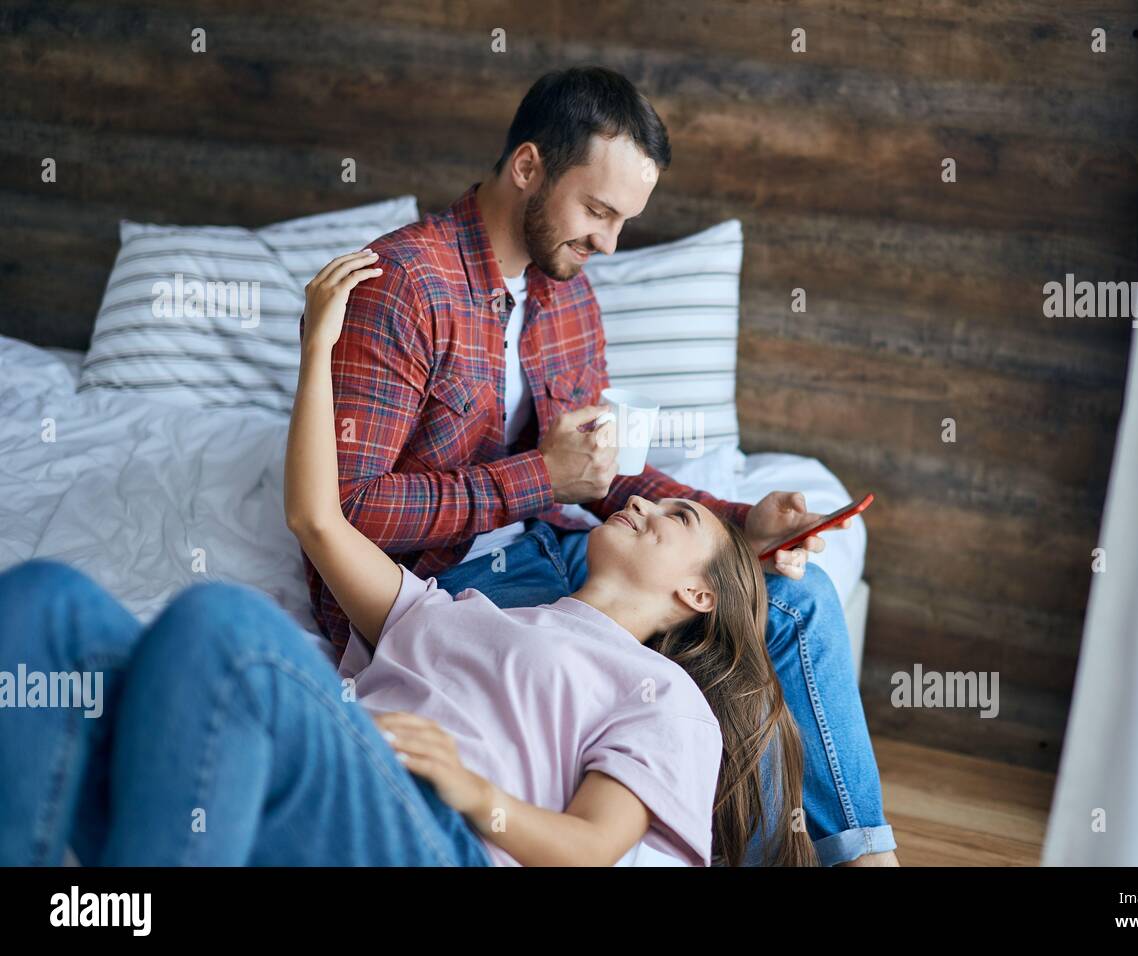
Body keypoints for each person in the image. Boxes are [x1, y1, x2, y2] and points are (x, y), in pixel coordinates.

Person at [0, 253, 815, 867]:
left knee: (227, 629)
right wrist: (317, 345)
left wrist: (475, 794)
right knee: (43, 606)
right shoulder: (454, 610)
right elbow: (317, 519)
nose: (638, 501)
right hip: (314, 778)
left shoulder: (662, 694)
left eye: (674, 515)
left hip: (434, 835)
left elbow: (593, 848)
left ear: (697, 594)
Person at [300, 64, 897, 866]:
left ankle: (863, 858)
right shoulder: (403, 286)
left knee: (791, 595)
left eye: (623, 221)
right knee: (740, 651)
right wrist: (539, 481)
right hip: (450, 586)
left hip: (561, 542)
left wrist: (734, 520)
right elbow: (350, 509)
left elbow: (599, 468)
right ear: (528, 168)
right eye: (599, 211)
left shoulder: (567, 289)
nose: (609, 243)